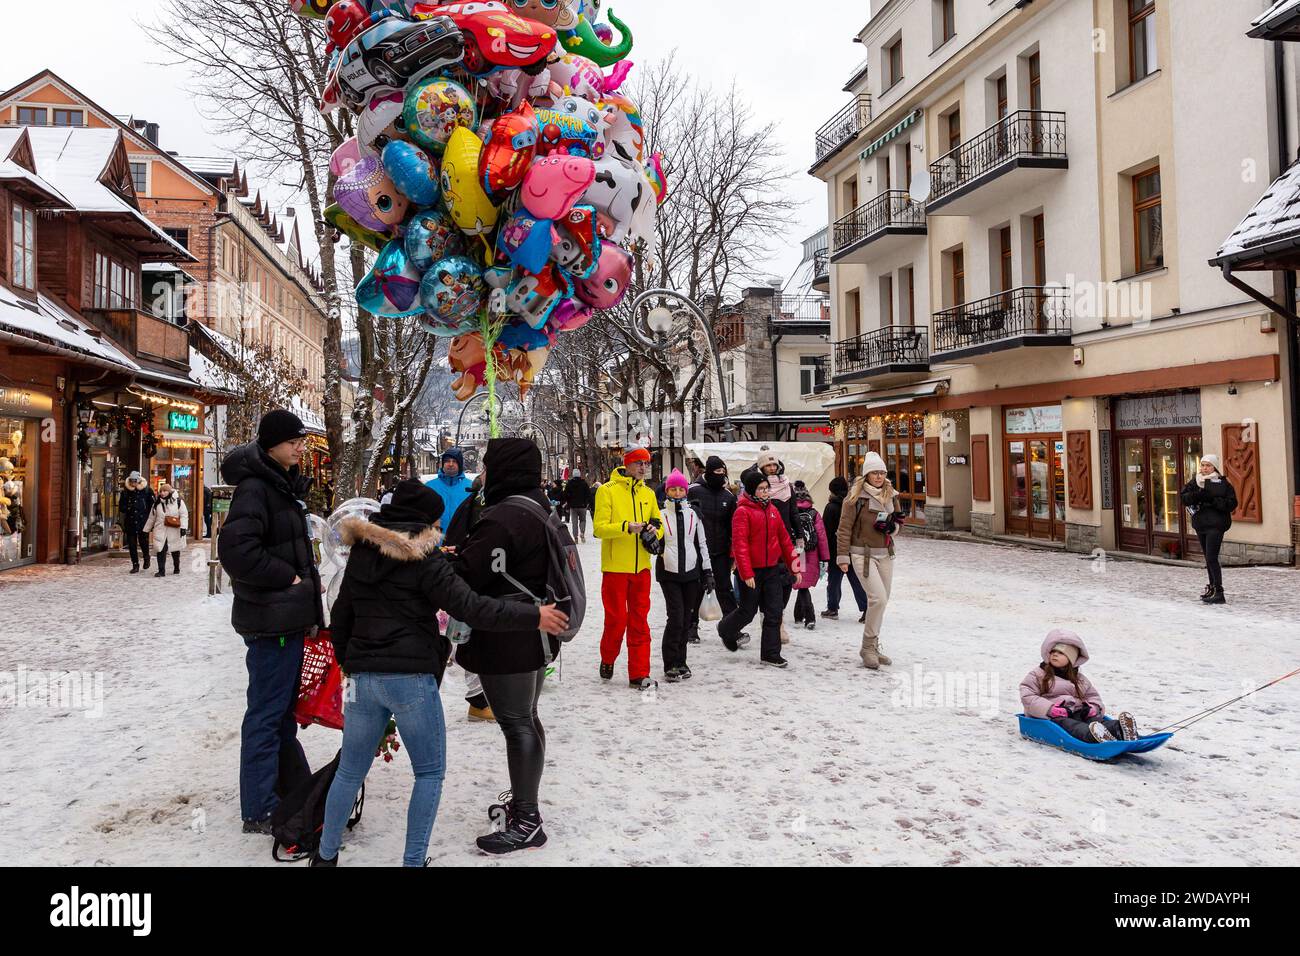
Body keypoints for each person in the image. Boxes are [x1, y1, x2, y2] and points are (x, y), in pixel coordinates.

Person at [314, 480, 566, 867]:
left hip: (363, 678)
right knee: (429, 774)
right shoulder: (425, 561)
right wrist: (533, 615)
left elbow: (342, 615)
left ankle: (325, 856)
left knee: (350, 769)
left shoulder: (361, 554)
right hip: (411, 679)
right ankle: (413, 861)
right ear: (424, 523)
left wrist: (351, 663)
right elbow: (474, 607)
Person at [452, 439, 568, 853]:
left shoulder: (505, 517)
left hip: (508, 636)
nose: (483, 472)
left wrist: (446, 557)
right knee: (527, 718)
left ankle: (528, 820)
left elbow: (468, 574)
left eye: (487, 465)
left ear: (503, 468)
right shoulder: (538, 506)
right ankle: (523, 807)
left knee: (517, 722)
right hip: (536, 632)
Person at [217, 409, 323, 835]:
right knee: (266, 715)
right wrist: (289, 577)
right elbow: (237, 552)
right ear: (272, 444)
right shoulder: (257, 489)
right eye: (294, 441)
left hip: (285, 618)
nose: (301, 447)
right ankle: (259, 807)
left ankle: (289, 791)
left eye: (302, 440)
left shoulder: (279, 486)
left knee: (279, 716)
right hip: (272, 622)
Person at [593, 447, 663, 690]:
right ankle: (608, 657)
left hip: (641, 567)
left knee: (640, 621)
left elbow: (657, 521)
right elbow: (599, 528)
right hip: (615, 568)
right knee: (616, 620)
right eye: (639, 463)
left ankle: (639, 673)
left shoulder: (649, 493)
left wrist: (655, 531)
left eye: (646, 463)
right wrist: (626, 527)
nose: (644, 467)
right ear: (628, 464)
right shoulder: (607, 491)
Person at [718, 470, 798, 668]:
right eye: (761, 489)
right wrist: (746, 573)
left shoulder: (773, 511)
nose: (765, 492)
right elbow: (740, 545)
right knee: (747, 611)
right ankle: (725, 628)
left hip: (771, 569)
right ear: (752, 490)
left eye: (766, 488)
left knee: (774, 612)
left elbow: (785, 541)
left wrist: (794, 567)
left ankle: (771, 654)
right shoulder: (742, 512)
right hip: (751, 571)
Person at [836, 452, 905, 670]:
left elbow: (899, 522)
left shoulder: (891, 495)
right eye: (875, 472)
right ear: (866, 475)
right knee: (878, 599)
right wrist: (842, 555)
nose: (879, 476)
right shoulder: (855, 498)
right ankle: (867, 648)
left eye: (882, 472)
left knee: (883, 601)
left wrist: (891, 528)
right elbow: (844, 528)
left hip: (885, 552)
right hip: (861, 554)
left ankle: (873, 646)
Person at [1019, 629, 1139, 743]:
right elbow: (1028, 695)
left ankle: (1120, 729)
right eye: (1053, 652)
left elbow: (1093, 696)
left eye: (1061, 653)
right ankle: (1094, 736)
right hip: (1053, 718)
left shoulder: (1080, 679)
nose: (1055, 655)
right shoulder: (1038, 674)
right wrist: (1050, 709)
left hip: (1078, 713)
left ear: (1072, 658)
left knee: (1095, 721)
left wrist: (1093, 709)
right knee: (1075, 727)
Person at [443, 471, 495, 722]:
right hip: (475, 580)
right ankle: (479, 700)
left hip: (477, 577)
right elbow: (474, 539)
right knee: (473, 637)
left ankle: (484, 699)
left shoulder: (486, 499)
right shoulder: (476, 501)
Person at [656, 469, 711, 682]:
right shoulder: (660, 515)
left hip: (691, 572)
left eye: (681, 489)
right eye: (673, 489)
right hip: (668, 573)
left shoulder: (694, 514)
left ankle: (681, 661)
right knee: (676, 618)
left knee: (687, 619)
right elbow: (654, 543)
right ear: (667, 490)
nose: (677, 492)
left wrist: (708, 572)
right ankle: (670, 663)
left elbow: (702, 544)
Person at [686, 456, 740, 644]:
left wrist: (734, 553)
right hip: (698, 550)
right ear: (708, 472)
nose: (721, 476)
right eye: (717, 472)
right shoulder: (693, 491)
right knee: (698, 587)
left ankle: (733, 626)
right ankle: (691, 626)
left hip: (721, 550)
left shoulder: (728, 497)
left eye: (723, 473)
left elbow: (733, 526)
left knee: (725, 588)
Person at [1180, 453, 1237, 605]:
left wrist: (1213, 500)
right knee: (1208, 558)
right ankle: (1212, 588)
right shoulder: (1196, 481)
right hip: (1201, 524)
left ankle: (1219, 592)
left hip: (1216, 525)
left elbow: (1232, 503)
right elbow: (1184, 498)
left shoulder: (1223, 483)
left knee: (1212, 557)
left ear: (1214, 467)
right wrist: (1197, 495)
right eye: (1203, 465)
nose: (1205, 468)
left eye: (1208, 465)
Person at [820, 476, 868, 623]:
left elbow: (826, 532)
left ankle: (833, 608)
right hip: (852, 548)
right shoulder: (852, 503)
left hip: (836, 550)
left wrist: (825, 553)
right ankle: (866, 608)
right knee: (856, 581)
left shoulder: (831, 507)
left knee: (834, 582)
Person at [790, 481, 830, 630]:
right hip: (811, 552)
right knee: (803, 584)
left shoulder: (789, 512)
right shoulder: (814, 514)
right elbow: (822, 537)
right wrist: (825, 557)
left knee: (801, 583)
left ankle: (807, 617)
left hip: (794, 552)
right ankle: (803, 616)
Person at [143, 481, 189, 578]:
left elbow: (184, 515)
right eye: (161, 491)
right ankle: (161, 571)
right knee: (160, 549)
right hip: (160, 529)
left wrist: (183, 528)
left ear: (169, 491)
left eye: (165, 491)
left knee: (175, 549)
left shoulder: (178, 502)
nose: (162, 493)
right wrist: (146, 530)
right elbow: (152, 518)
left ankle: (176, 567)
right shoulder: (157, 504)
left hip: (174, 529)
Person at [424, 448, 474, 528]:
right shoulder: (429, 487)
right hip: (436, 538)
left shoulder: (471, 487)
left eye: (454, 461)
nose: (450, 464)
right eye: (447, 461)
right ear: (443, 464)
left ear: (460, 464)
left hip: (461, 539)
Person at [117, 471, 154, 573]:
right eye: (132, 481)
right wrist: (128, 507)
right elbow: (121, 507)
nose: (133, 483)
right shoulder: (125, 492)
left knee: (143, 542)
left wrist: (151, 520)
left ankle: (146, 558)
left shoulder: (146, 490)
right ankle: (135, 564)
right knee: (132, 545)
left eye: (135, 481)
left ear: (139, 481)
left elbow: (152, 506)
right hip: (130, 521)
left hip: (143, 521)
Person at [564, 468, 592, 542]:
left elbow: (566, 495)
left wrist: (568, 503)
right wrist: (587, 502)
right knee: (583, 520)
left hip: (573, 506)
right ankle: (582, 532)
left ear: (573, 475)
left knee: (574, 522)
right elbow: (588, 494)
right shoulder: (584, 483)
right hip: (582, 506)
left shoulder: (569, 484)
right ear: (579, 475)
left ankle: (575, 537)